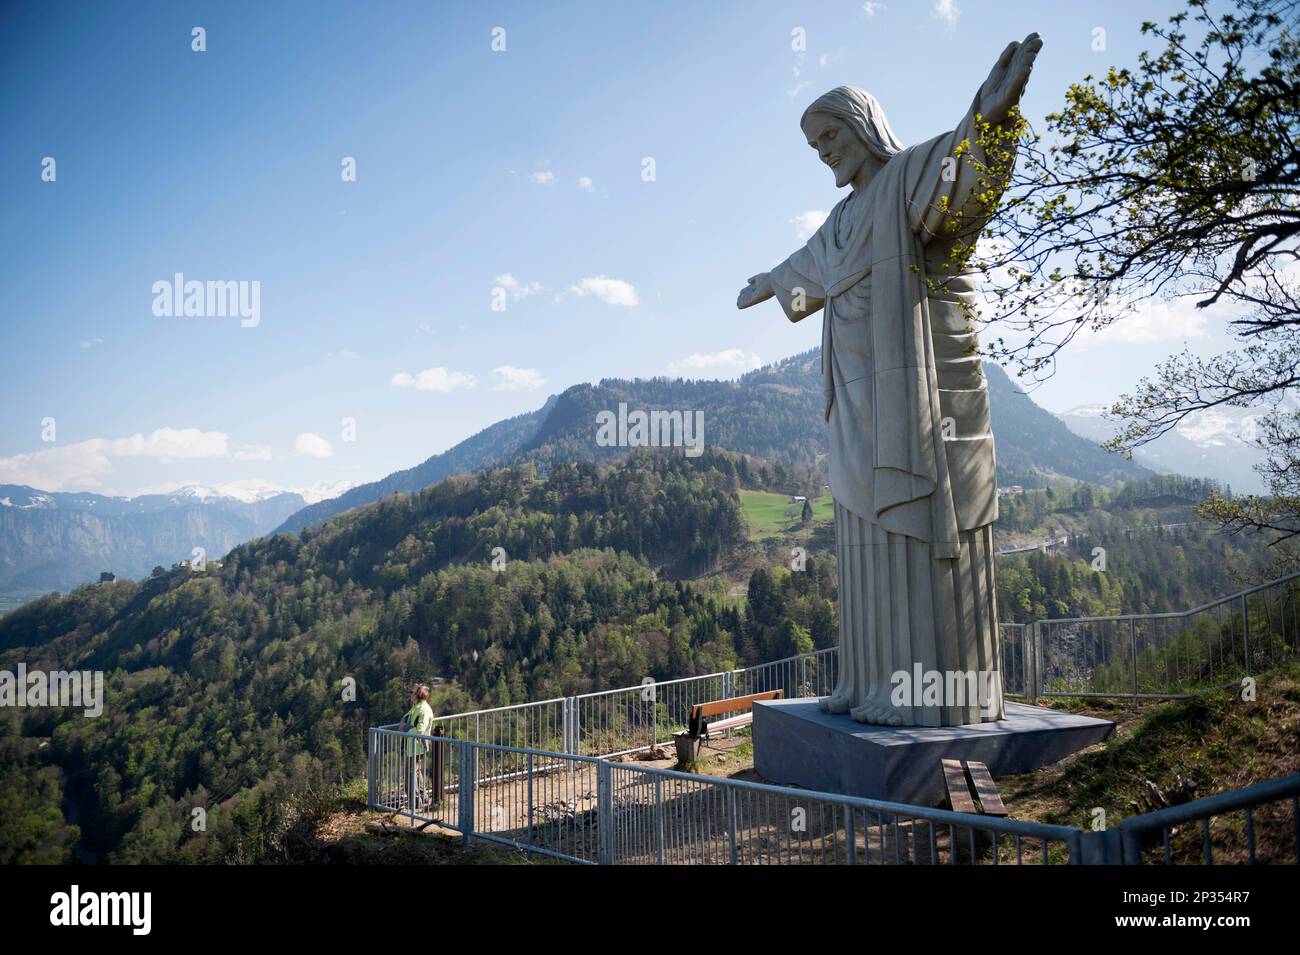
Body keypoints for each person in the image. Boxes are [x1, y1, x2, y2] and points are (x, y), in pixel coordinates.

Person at [737, 35, 1043, 726]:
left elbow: (963, 194)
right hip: (858, 406)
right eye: (815, 145)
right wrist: (769, 282)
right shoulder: (843, 218)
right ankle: (872, 681)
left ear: (862, 125)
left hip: (917, 399)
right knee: (862, 538)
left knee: (913, 536)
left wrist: (992, 122)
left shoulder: (909, 174)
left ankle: (928, 697)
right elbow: (806, 268)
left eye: (830, 136)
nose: (824, 152)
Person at [399, 684, 434, 810]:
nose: (410, 696)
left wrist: (405, 728)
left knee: (410, 774)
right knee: (416, 772)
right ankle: (422, 797)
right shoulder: (417, 707)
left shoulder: (423, 709)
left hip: (417, 746)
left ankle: (415, 801)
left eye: (412, 693)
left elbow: (420, 730)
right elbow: (408, 718)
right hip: (413, 746)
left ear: (417, 695)